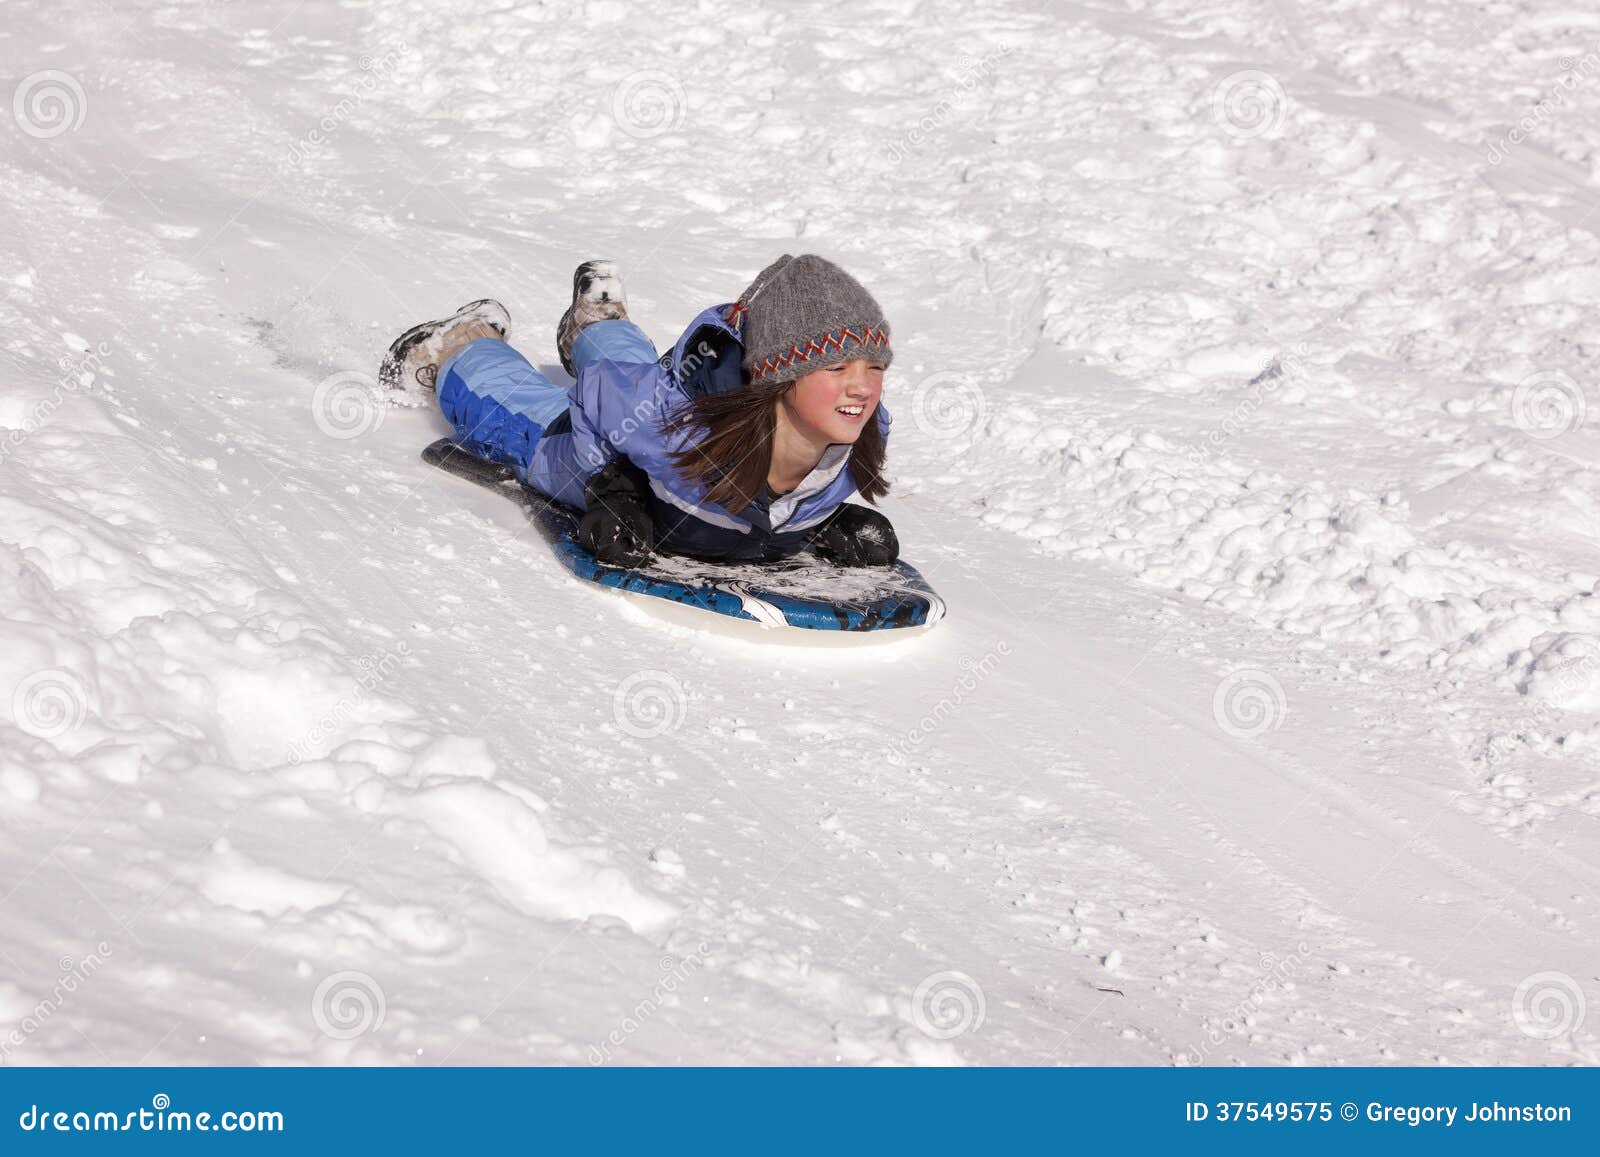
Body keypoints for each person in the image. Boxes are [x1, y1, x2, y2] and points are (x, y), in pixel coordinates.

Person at [379, 255, 900, 569]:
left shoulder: (857, 431)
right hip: (583, 453)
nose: (862, 387)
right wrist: (614, 487)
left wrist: (813, 523)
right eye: (836, 369)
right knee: (522, 412)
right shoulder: (680, 431)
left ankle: (597, 325)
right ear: (779, 378)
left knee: (645, 383)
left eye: (875, 367)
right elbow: (603, 393)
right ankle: (460, 344)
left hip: (653, 410)